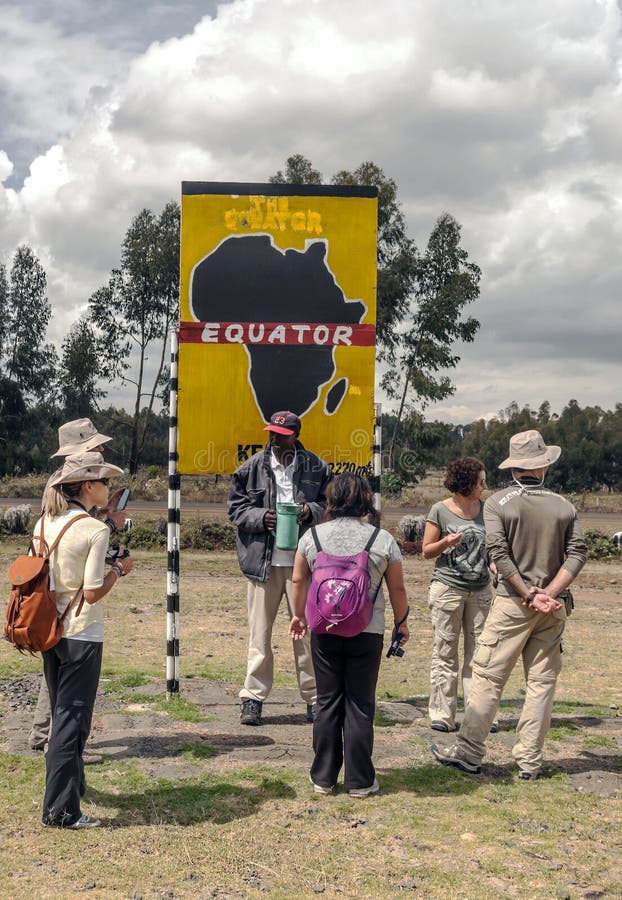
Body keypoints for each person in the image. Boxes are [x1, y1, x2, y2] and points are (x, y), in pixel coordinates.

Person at [432, 430, 587, 779]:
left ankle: (469, 752)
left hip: (512, 603)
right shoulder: (565, 506)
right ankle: (530, 761)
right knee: (541, 683)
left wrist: (529, 594)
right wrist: (549, 593)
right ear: (543, 466)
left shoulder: (498, 503)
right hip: (553, 608)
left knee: (488, 676)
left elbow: (498, 554)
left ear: (514, 468)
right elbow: (578, 553)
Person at [290, 473, 410, 796]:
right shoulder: (381, 540)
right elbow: (397, 588)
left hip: (323, 629)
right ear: (365, 500)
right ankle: (359, 780)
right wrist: (401, 622)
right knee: (360, 703)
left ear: (331, 501)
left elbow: (298, 579)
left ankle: (323, 777)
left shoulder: (312, 536)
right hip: (367, 630)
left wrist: (298, 616)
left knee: (327, 700)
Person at [39, 452, 133, 828]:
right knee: (72, 720)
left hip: (49, 629)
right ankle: (61, 811)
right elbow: (92, 592)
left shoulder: (46, 521)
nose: (109, 488)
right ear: (89, 486)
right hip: (82, 633)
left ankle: (71, 790)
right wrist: (119, 570)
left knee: (63, 714)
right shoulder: (95, 530)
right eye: (105, 482)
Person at [228, 411, 332, 726]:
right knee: (259, 636)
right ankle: (253, 698)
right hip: (263, 564)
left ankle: (315, 699)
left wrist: (309, 510)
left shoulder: (316, 467)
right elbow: (236, 509)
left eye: (282, 435)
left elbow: (329, 505)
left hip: (304, 565)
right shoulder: (250, 469)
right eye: (272, 432)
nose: (275, 438)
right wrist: (261, 517)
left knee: (307, 636)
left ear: (295, 435)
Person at [29, 418, 127, 752]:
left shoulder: (60, 483)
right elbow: (76, 538)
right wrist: (108, 526)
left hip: (53, 599)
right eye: (96, 446)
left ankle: (46, 735)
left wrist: (103, 515)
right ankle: (57, 742)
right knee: (69, 690)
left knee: (56, 672)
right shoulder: (71, 483)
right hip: (72, 607)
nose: (102, 450)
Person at [423, 457, 494, 733]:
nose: (484, 487)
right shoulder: (440, 510)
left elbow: (492, 550)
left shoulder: (487, 511)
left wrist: (495, 567)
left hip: (481, 591)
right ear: (466, 483)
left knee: (481, 655)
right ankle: (442, 714)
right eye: (480, 482)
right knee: (445, 652)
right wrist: (446, 542)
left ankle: (479, 715)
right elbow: (426, 551)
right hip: (448, 590)